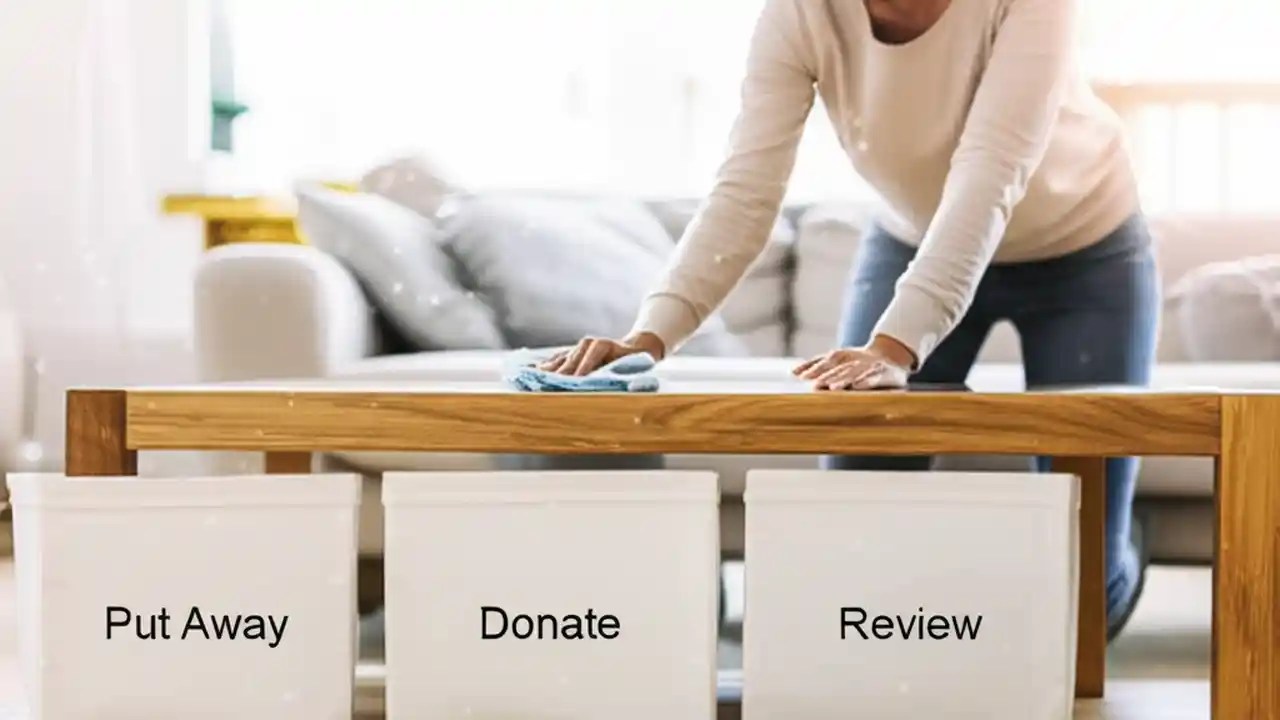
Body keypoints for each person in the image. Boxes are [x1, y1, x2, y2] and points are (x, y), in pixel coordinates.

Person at [542, 0, 1158, 639]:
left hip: (1084, 251)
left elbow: (991, 170)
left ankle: (1123, 554)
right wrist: (648, 338)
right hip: (912, 239)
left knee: (1085, 597)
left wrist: (894, 345)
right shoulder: (798, 16)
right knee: (853, 528)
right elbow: (745, 191)